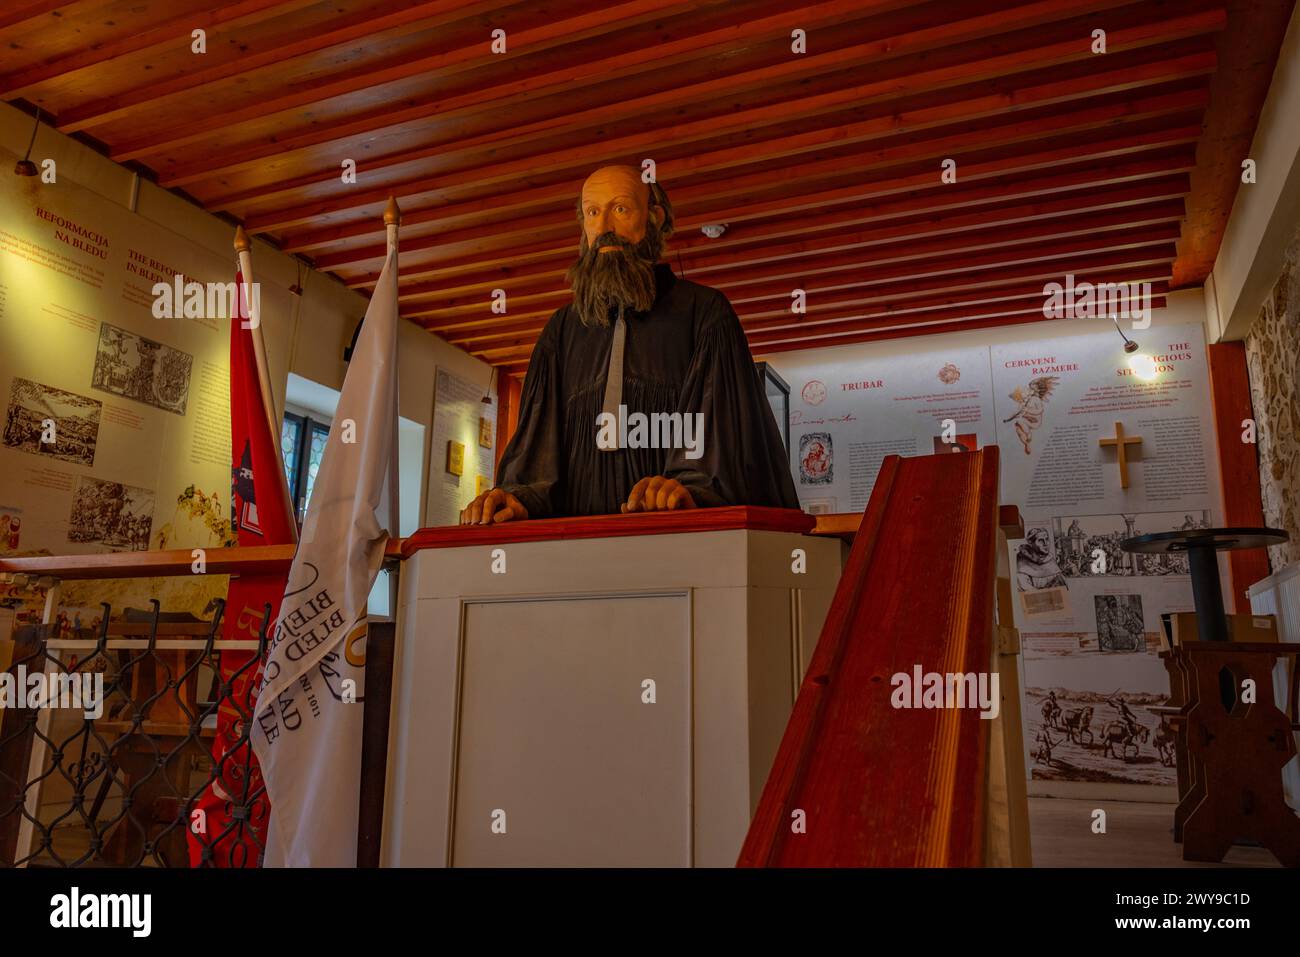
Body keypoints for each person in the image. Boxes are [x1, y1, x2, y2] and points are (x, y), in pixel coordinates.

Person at [461, 165, 797, 523]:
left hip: (677, 545)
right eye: (593, 212)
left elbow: (720, 439)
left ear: (654, 218)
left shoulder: (704, 314)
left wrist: (690, 490)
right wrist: (517, 497)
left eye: (620, 208)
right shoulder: (561, 331)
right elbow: (537, 456)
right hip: (574, 553)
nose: (604, 227)